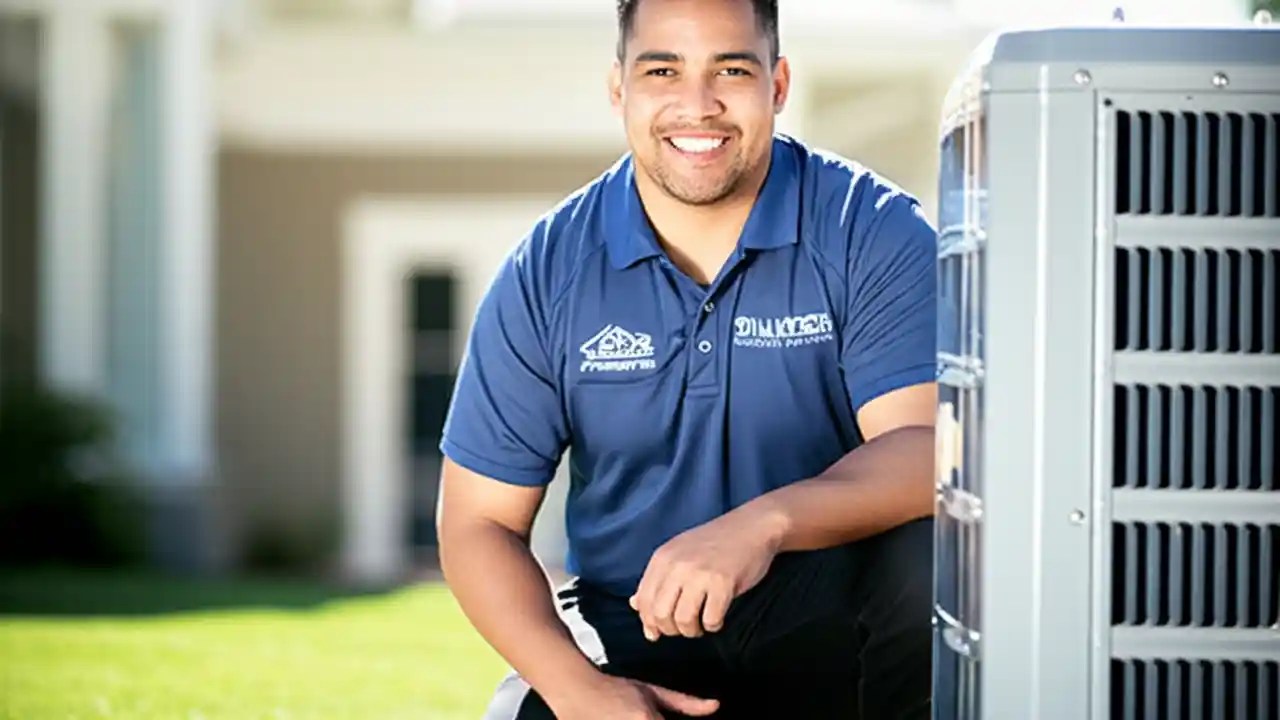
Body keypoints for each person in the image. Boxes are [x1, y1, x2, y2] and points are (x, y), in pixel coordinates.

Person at [437, 0, 938, 717]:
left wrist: (762, 524)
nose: (697, 105)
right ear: (620, 88)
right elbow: (477, 523)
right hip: (629, 626)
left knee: (932, 558)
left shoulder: (872, 229)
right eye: (662, 71)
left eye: (730, 70)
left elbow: (925, 451)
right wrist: (581, 690)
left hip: (832, 621)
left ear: (777, 85)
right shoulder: (548, 270)